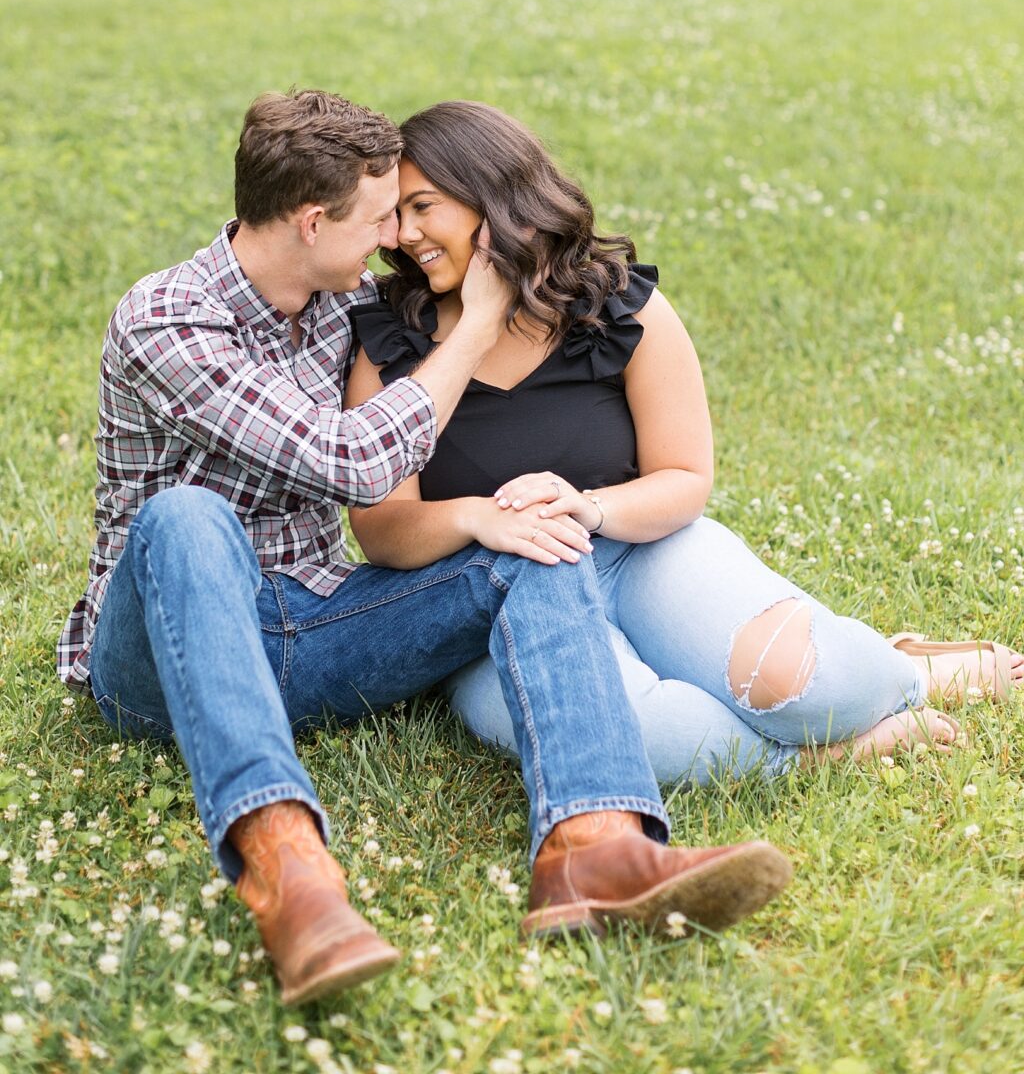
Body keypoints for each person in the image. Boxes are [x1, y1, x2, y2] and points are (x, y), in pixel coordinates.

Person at [57, 89, 792, 1010]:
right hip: (160, 654)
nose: (393, 242)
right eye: (376, 221)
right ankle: (289, 871)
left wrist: (495, 506)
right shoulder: (166, 318)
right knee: (186, 516)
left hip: (311, 623)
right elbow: (352, 461)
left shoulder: (342, 303)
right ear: (312, 219)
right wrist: (477, 322)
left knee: (530, 533)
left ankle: (595, 847)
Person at [347, 101, 1022, 790]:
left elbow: (684, 476)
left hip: (644, 555)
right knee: (631, 734)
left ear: (489, 194)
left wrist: (589, 508)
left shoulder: (616, 307)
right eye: (396, 214)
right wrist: (474, 517)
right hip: (487, 601)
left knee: (810, 688)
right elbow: (381, 531)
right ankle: (822, 757)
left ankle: (906, 667)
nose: (402, 235)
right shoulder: (392, 337)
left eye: (423, 206)